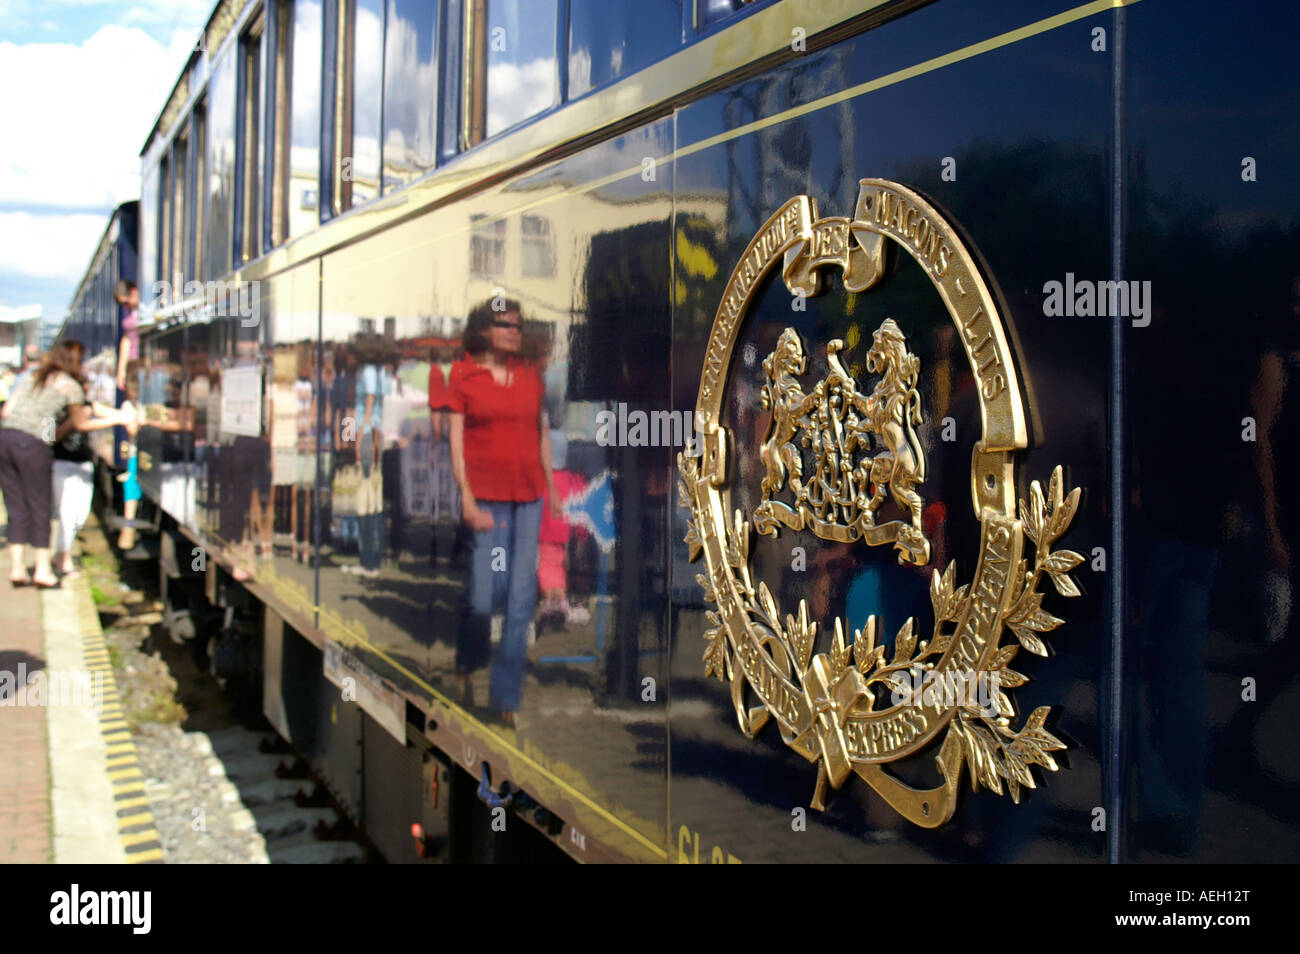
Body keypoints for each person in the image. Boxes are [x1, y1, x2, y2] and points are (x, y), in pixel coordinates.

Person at [448, 299, 560, 725]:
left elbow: (542, 432)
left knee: (519, 599)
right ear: (483, 330)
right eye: (503, 325)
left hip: (527, 494)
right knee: (484, 595)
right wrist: (465, 495)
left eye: (517, 325)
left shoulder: (531, 376)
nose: (513, 331)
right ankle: (468, 657)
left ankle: (505, 698)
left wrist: (551, 486)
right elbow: (456, 442)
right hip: (485, 497)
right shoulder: (464, 376)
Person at [0, 340, 124, 587]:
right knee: (39, 506)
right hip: (33, 446)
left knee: (15, 507)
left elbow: (6, 412)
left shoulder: (32, 377)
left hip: (7, 439)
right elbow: (80, 424)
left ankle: (17, 569)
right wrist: (118, 421)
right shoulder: (70, 387)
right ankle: (43, 570)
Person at [115, 280, 140, 392]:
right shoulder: (128, 311)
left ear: (134, 291)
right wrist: (121, 370)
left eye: (126, 302)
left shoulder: (149, 307)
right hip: (134, 362)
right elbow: (127, 338)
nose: (126, 306)